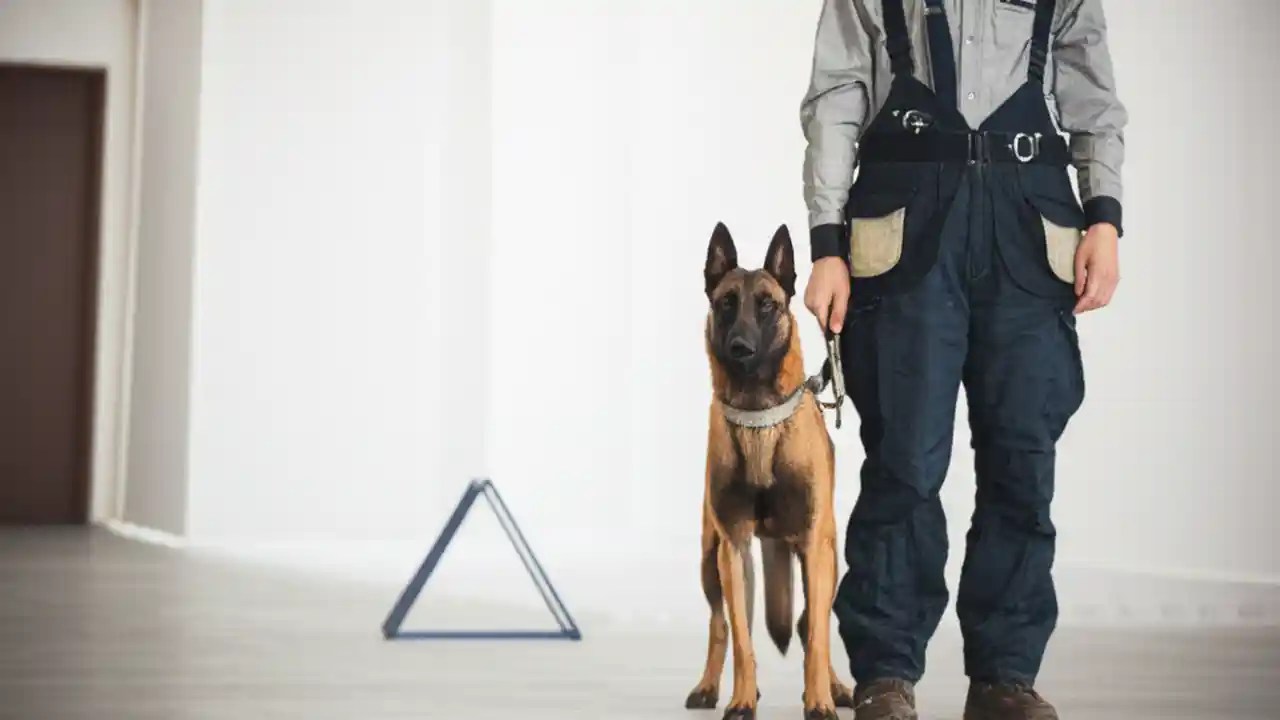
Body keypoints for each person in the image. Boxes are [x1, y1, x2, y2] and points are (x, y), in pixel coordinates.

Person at [799, 0, 1126, 718]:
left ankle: (1005, 676)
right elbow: (836, 95)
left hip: (1030, 224)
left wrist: (1104, 215)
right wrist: (826, 244)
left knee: (1022, 459)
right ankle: (885, 674)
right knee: (904, 463)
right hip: (906, 225)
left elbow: (1092, 94)